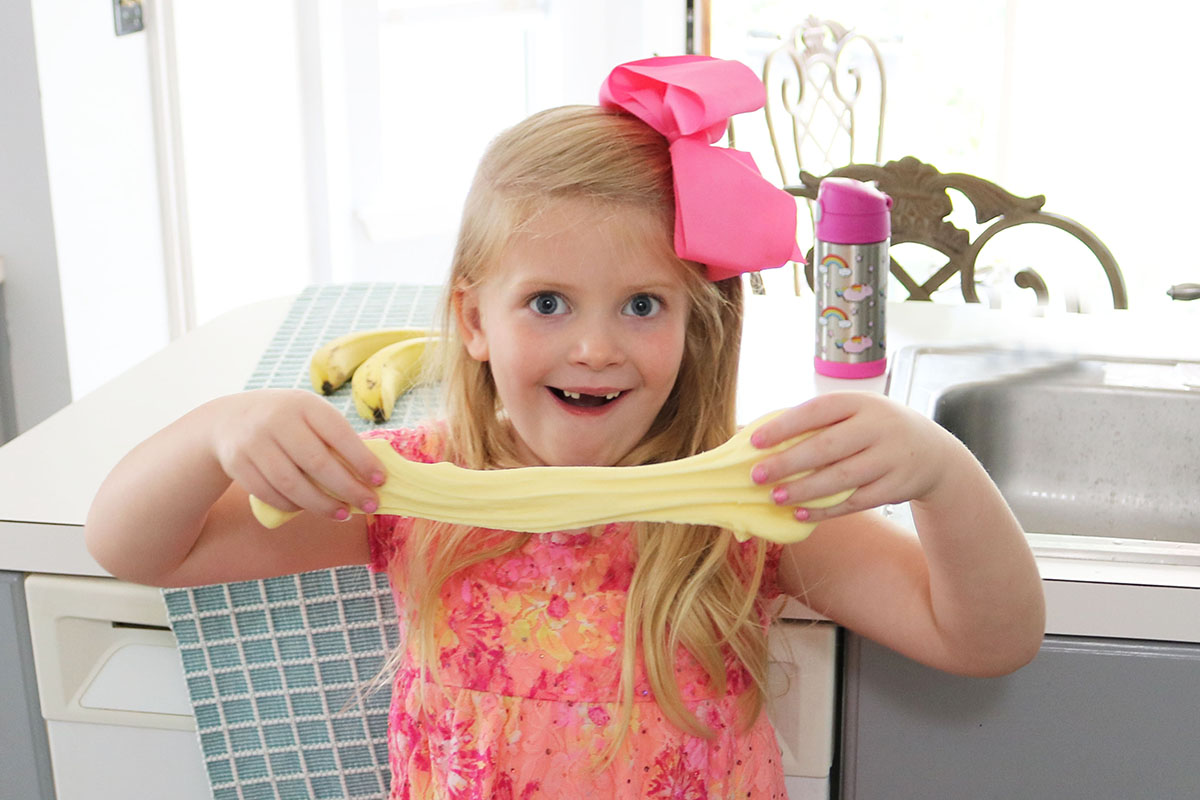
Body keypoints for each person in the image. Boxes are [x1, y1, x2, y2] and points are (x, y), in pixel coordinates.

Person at [85, 56, 1044, 799]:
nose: (595, 348)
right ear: (472, 320)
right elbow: (136, 547)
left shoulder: (749, 507)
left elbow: (985, 639)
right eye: (547, 303)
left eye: (641, 305)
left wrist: (944, 474)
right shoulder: (403, 490)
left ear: (695, 320)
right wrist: (217, 427)